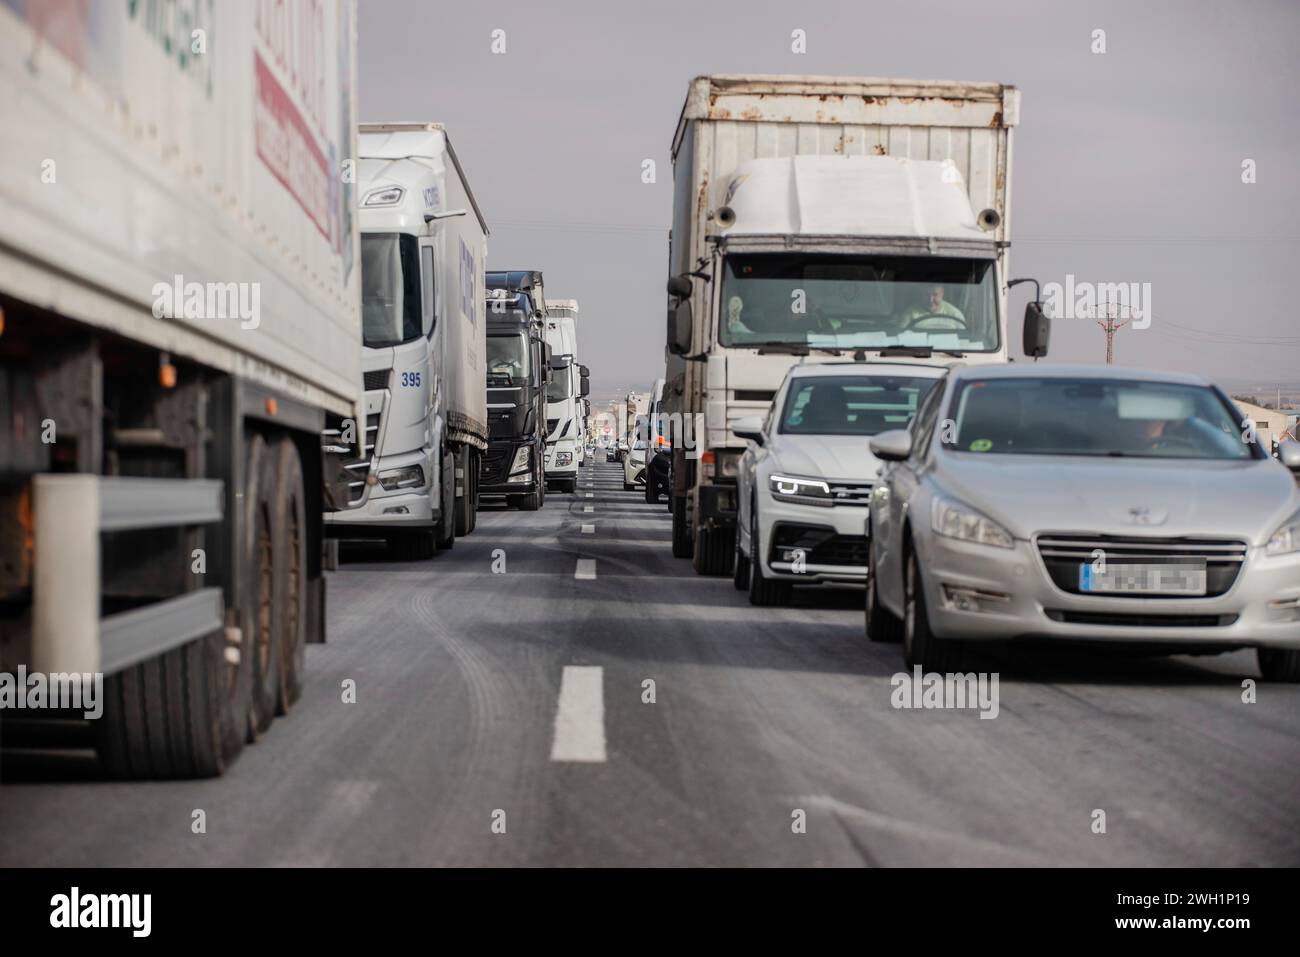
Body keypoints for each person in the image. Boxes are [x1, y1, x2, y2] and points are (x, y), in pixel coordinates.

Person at [898, 284, 965, 328]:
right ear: (921, 293)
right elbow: (900, 337)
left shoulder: (955, 314)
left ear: (942, 293)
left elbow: (964, 342)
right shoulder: (909, 314)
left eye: (935, 294)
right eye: (927, 294)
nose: (930, 300)